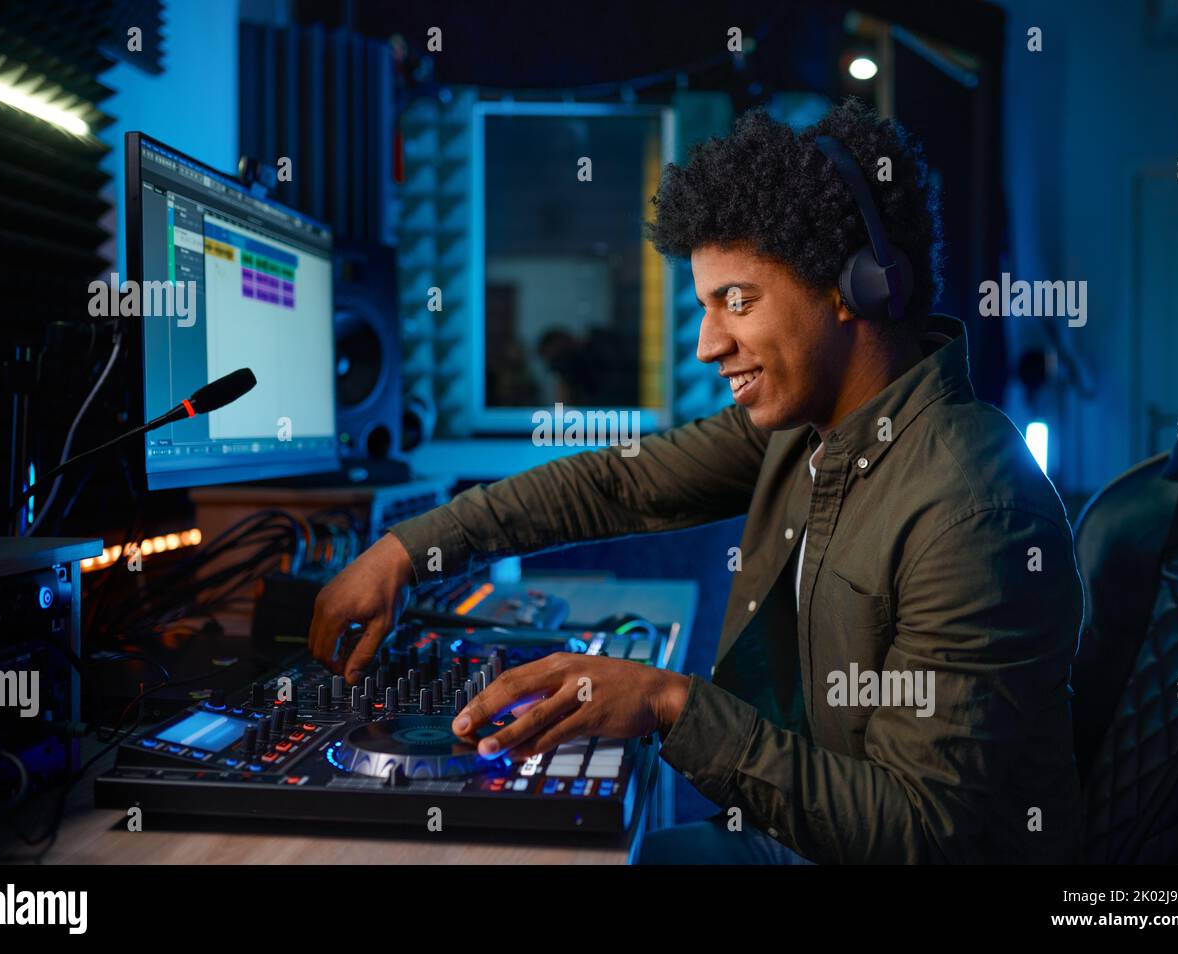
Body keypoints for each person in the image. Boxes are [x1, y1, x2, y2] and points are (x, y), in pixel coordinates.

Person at [308, 99, 1084, 864]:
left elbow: (921, 834)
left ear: (856, 286)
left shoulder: (975, 511)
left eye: (735, 302)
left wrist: (667, 703)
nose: (709, 344)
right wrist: (408, 550)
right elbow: (619, 484)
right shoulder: (807, 429)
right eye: (705, 306)